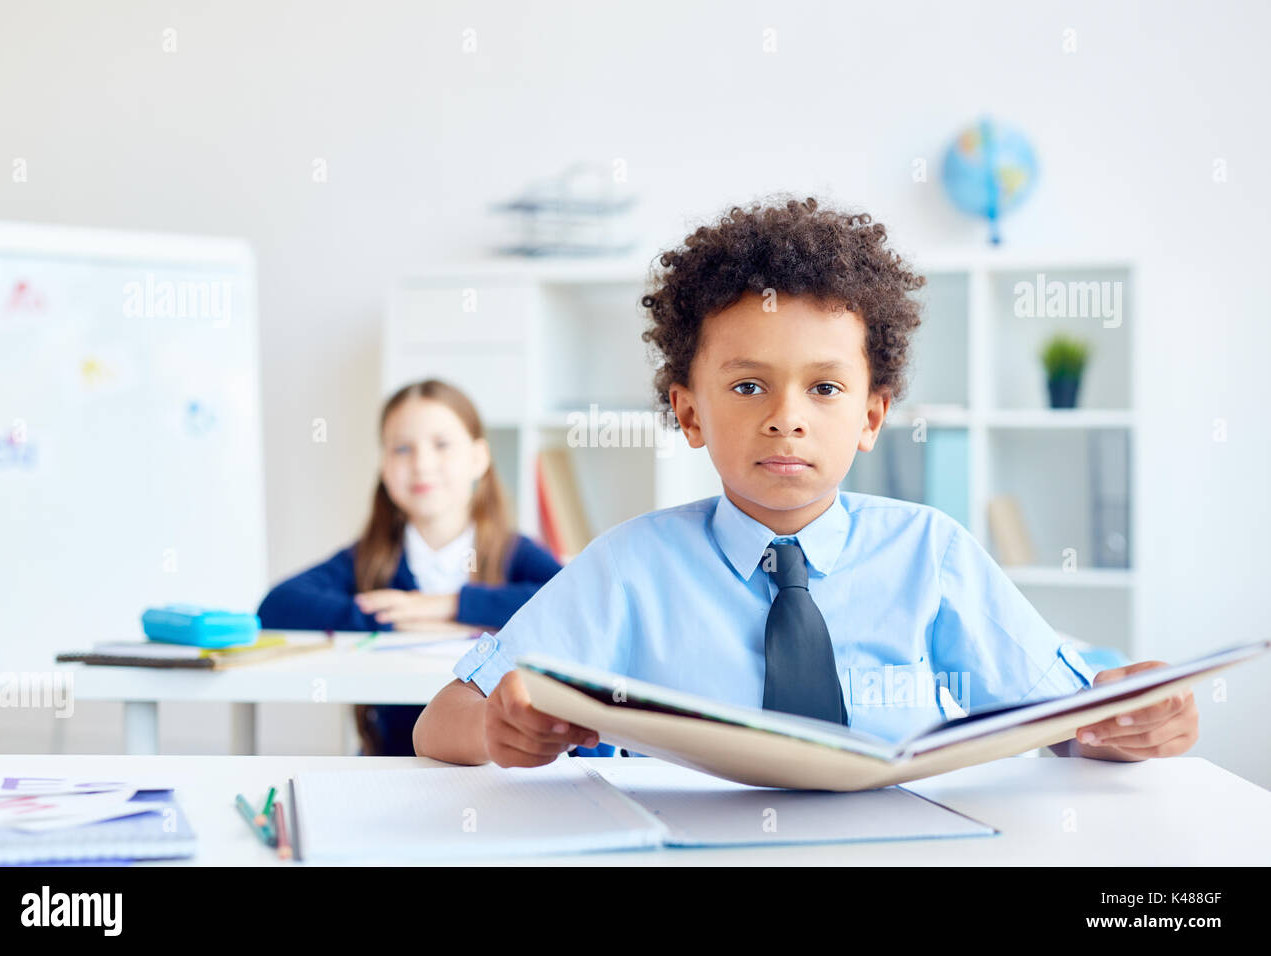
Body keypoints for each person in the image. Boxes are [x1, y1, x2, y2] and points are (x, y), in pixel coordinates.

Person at [412, 195, 1198, 767]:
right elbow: (441, 719)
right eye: (748, 386)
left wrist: (1130, 723)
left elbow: (1068, 721)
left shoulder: (930, 554)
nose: (786, 418)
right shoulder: (629, 567)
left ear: (871, 416)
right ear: (689, 412)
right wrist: (495, 731)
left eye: (824, 388)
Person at [258, 378, 561, 755]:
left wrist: (448, 606)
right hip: (391, 760)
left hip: (497, 766)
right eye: (402, 448)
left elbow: (565, 602)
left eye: (441, 444)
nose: (422, 465)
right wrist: (394, 620)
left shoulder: (513, 551)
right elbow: (277, 605)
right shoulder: (372, 557)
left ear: (478, 458)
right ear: (384, 467)